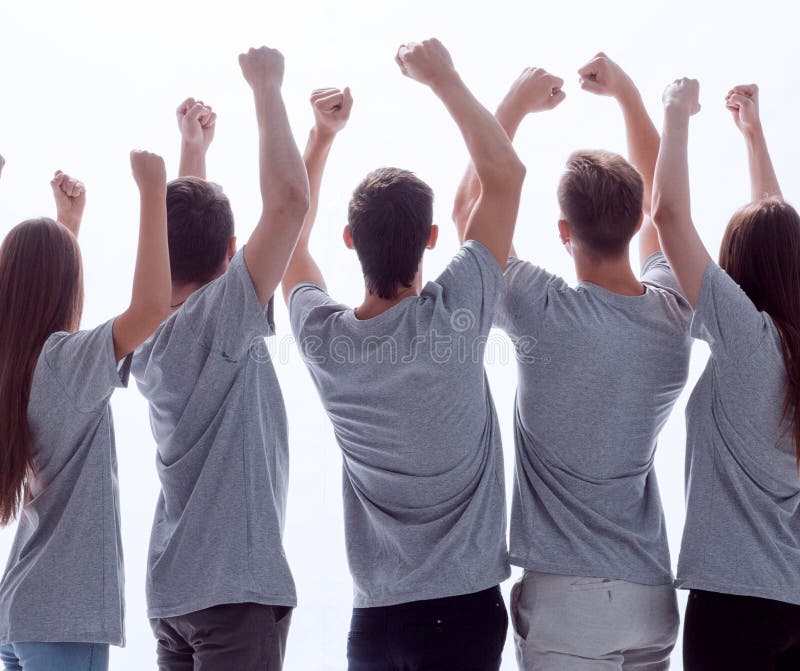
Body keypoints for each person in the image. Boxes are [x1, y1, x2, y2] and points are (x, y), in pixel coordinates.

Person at [283, 38, 526, 671]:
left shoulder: (324, 341)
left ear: (349, 241)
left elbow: (289, 240)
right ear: (431, 239)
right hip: (464, 612)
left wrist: (320, 137)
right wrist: (442, 76)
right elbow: (505, 177)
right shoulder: (458, 314)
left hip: (375, 622)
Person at [453, 54, 692, 669]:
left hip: (565, 602)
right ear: (638, 219)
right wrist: (631, 97)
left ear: (565, 230)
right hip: (649, 596)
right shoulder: (674, 314)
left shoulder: (542, 309)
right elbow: (663, 202)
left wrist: (512, 103)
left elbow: (468, 222)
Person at [131, 46, 309, 670]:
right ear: (234, 253)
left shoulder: (145, 337)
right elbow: (289, 201)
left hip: (175, 598)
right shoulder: (223, 318)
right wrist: (267, 86)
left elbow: (180, 244)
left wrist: (194, 151)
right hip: (231, 595)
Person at [0, 153, 171, 671]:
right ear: (66, 287)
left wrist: (67, 229)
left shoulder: (14, 367)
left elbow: (37, 300)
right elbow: (150, 309)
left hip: (19, 614)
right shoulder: (62, 362)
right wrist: (152, 191)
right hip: (64, 616)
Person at [652, 79, 800, 670]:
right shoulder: (787, 347)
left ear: (737, 273)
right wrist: (754, 136)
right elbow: (781, 243)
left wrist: (676, 113)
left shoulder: (747, 341)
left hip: (735, 607)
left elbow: (667, 216)